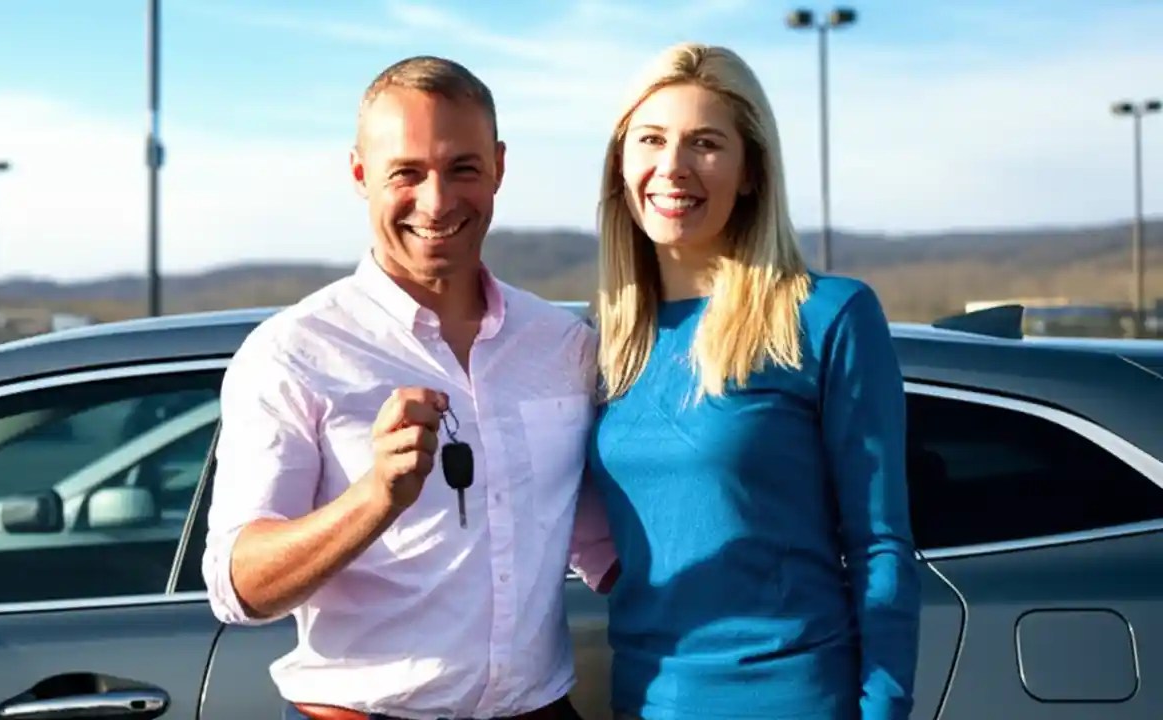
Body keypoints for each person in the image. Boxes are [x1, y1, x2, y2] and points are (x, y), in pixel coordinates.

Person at [201, 55, 617, 720]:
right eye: (407, 173)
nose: (437, 201)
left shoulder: (563, 345)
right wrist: (375, 497)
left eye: (463, 169)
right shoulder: (294, 353)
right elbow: (238, 588)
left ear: (499, 168)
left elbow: (602, 545)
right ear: (361, 174)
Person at [587, 43, 921, 720]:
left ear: (749, 173)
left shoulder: (828, 315)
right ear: (622, 164)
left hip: (789, 697)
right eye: (651, 139)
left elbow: (881, 542)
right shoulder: (602, 340)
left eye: (705, 143)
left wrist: (883, 709)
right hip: (644, 699)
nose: (672, 167)